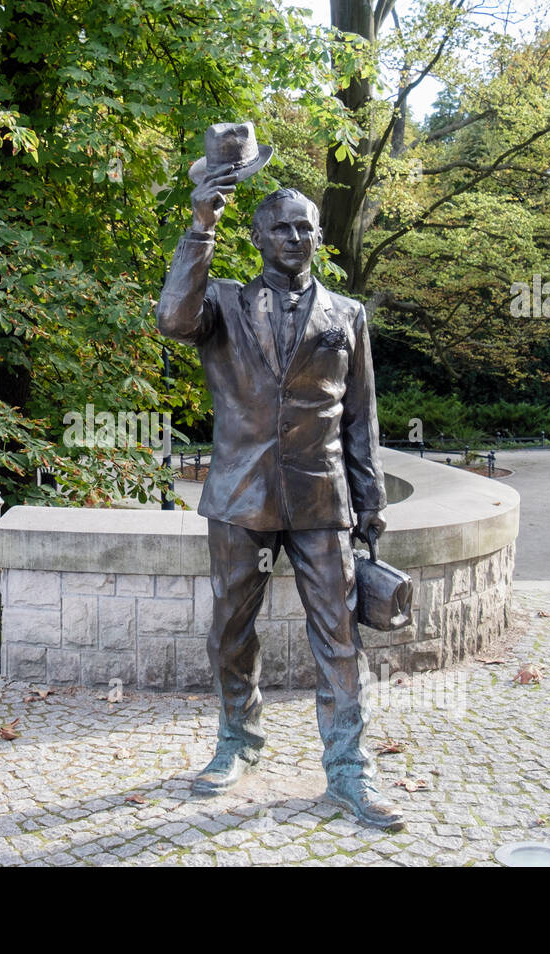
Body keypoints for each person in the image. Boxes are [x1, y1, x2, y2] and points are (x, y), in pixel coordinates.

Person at [155, 123, 402, 831]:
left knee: (340, 637)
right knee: (233, 627)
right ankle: (239, 739)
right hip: (240, 495)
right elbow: (172, 317)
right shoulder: (223, 305)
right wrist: (202, 224)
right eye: (283, 229)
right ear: (260, 239)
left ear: (318, 236)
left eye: (306, 228)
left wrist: (371, 504)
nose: (296, 238)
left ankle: (350, 771)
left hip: (323, 500)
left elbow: (361, 420)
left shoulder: (346, 315)